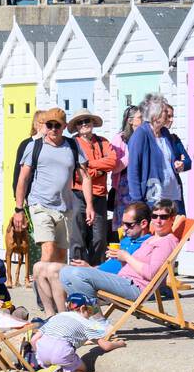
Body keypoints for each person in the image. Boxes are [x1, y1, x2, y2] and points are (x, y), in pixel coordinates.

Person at [34, 202, 152, 316]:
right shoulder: (127, 240)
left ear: (143, 224)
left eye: (129, 224)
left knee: (55, 269)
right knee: (38, 267)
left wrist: (93, 270)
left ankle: (63, 317)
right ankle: (51, 316)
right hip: (98, 274)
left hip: (116, 283)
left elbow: (127, 272)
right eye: (123, 224)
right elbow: (112, 265)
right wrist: (91, 267)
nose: (124, 228)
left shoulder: (147, 245)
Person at [13, 107, 94, 267]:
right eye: (49, 125)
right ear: (44, 126)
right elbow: (22, 178)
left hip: (65, 208)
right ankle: (39, 287)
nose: (53, 129)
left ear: (64, 126)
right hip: (40, 205)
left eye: (57, 126)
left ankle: (54, 291)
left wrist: (90, 205)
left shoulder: (72, 146)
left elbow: (85, 177)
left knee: (61, 257)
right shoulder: (35, 146)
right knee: (48, 251)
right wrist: (19, 209)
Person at [58, 200, 180, 303]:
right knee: (65, 272)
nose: (158, 221)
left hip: (135, 287)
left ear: (172, 218)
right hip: (123, 280)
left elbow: (152, 274)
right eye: (154, 216)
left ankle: (95, 318)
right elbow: (131, 266)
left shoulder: (167, 241)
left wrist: (126, 257)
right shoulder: (153, 239)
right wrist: (119, 259)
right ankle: (86, 316)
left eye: (163, 217)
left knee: (76, 274)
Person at [65, 109, 118, 265]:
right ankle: (76, 274)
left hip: (99, 196)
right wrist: (99, 170)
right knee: (77, 237)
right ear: (75, 127)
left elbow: (113, 162)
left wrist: (88, 166)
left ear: (93, 123)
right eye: (80, 122)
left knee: (99, 238)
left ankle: (96, 273)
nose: (84, 124)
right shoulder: (72, 144)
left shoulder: (103, 142)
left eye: (87, 121)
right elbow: (74, 172)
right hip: (77, 194)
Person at [30, 293, 125, 372]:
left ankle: (47, 367)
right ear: (83, 308)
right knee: (82, 370)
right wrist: (119, 344)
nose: (91, 314)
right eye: (90, 310)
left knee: (54, 356)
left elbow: (34, 340)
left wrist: (39, 354)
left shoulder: (57, 316)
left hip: (42, 351)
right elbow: (106, 346)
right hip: (62, 351)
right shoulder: (87, 324)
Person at [127, 94, 181, 212]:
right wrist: (137, 202)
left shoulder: (165, 132)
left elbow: (168, 160)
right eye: (164, 111)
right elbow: (133, 170)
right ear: (155, 115)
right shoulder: (141, 134)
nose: (167, 114)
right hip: (153, 196)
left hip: (171, 193)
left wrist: (176, 164)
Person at [108, 104, 142, 229]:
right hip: (124, 185)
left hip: (142, 183)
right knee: (125, 220)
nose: (144, 120)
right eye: (140, 117)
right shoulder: (120, 138)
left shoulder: (144, 137)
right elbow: (114, 166)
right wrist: (130, 156)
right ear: (130, 120)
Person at [164, 102, 192, 214]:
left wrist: (181, 164)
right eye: (168, 116)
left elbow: (188, 161)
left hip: (175, 186)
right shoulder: (152, 140)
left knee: (178, 221)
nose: (171, 120)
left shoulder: (174, 139)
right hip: (159, 188)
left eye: (172, 116)